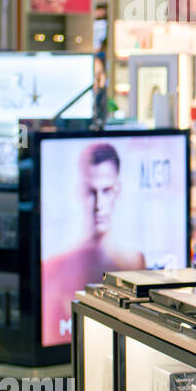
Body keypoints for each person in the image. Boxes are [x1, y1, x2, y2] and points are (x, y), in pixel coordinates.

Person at [41, 142, 145, 345]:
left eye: (106, 190)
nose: (99, 205)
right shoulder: (53, 268)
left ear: (118, 191)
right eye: (91, 192)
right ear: (80, 192)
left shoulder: (135, 262)